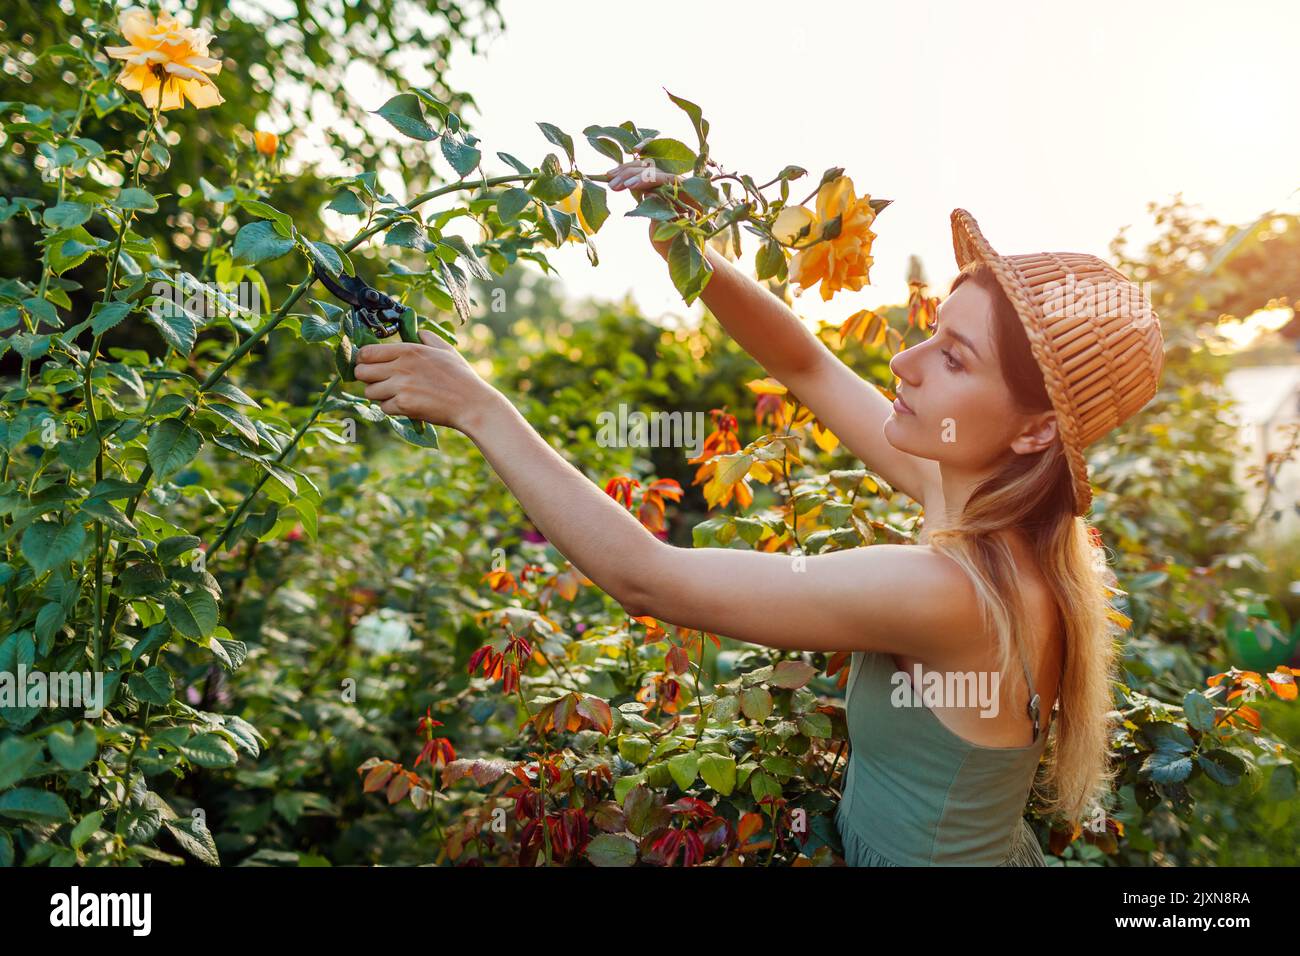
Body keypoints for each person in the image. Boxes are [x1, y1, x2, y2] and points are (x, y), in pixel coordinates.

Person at [352, 160, 1164, 866]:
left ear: (1033, 431)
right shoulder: (981, 504)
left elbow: (649, 579)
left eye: (954, 358)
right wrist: (684, 243)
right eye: (931, 334)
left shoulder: (954, 591)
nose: (901, 362)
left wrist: (481, 407)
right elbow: (803, 362)